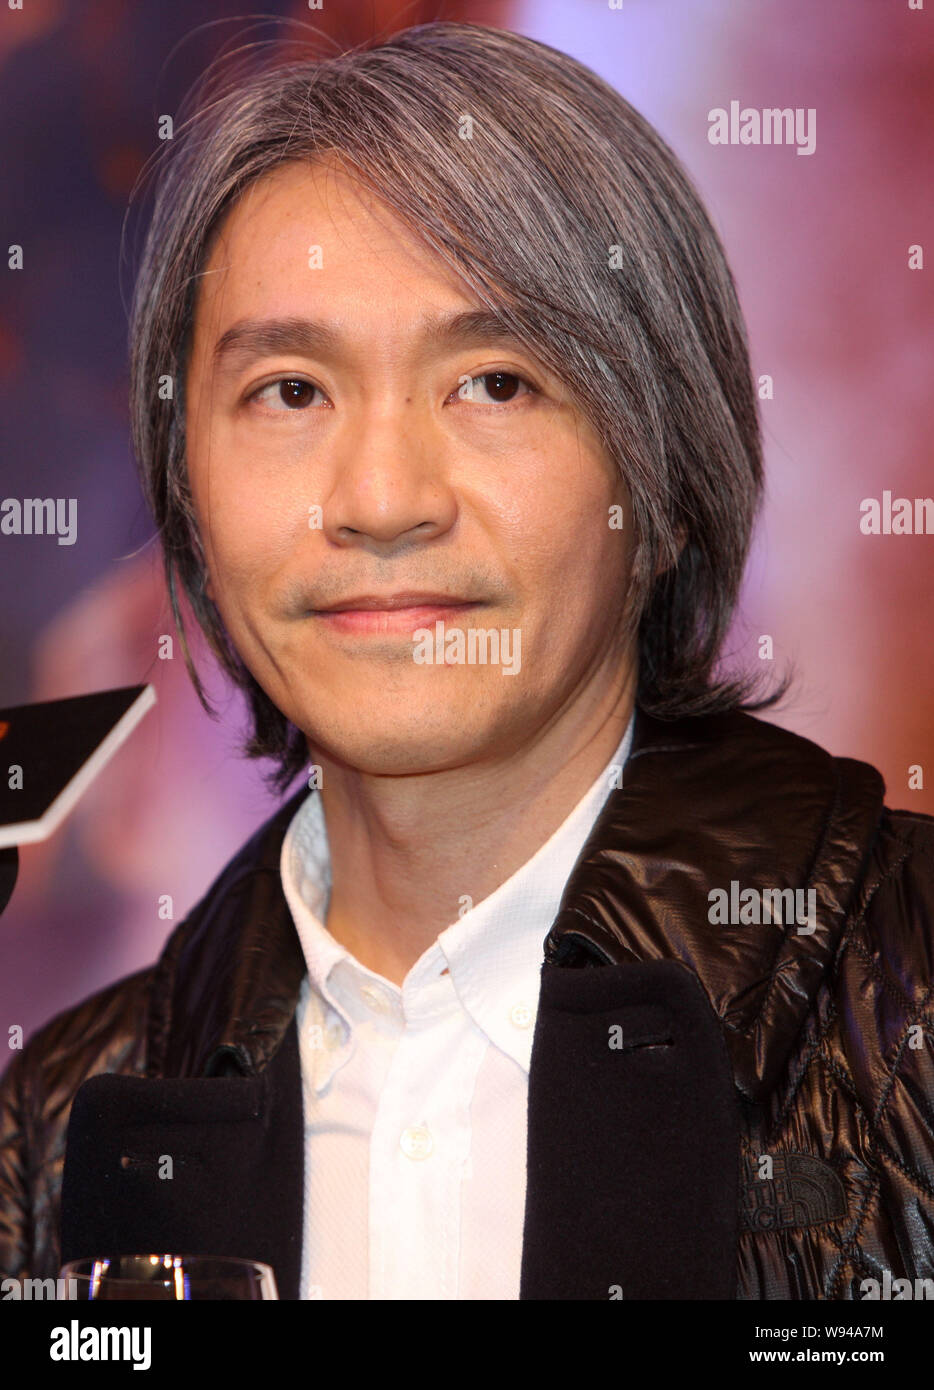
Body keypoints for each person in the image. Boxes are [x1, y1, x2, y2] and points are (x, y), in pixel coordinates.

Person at [1, 21, 931, 1302]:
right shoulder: (56, 1126)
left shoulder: (902, 1002)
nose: (382, 497)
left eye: (494, 382)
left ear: (664, 485)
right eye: (288, 391)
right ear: (189, 504)